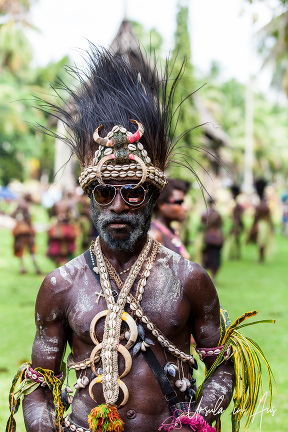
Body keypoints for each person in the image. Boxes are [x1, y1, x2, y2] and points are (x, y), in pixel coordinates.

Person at [7, 47, 274, 432]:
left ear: (152, 198)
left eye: (133, 192)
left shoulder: (189, 280)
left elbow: (222, 367)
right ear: (89, 199)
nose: (118, 205)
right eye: (104, 193)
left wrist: (195, 421)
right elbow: (38, 385)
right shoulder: (60, 286)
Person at [149, 178, 190, 258]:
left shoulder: (171, 231)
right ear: (161, 204)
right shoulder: (154, 236)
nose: (185, 208)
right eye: (179, 202)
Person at [10, 193, 41, 274]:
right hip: (26, 229)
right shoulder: (26, 206)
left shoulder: (19, 205)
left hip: (19, 229)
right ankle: (36, 268)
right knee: (31, 248)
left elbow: (13, 215)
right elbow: (28, 218)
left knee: (20, 247)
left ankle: (22, 267)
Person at [46, 190, 78, 266]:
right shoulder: (70, 203)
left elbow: (50, 213)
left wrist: (55, 218)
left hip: (57, 226)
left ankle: (58, 263)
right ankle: (66, 263)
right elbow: (75, 215)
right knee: (69, 243)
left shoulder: (56, 203)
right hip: (66, 227)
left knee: (53, 242)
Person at [247, 179, 273, 263]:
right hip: (265, 225)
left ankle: (261, 257)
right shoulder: (265, 205)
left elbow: (256, 218)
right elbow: (269, 217)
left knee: (261, 242)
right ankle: (261, 257)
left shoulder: (259, 206)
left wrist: (253, 226)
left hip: (261, 225)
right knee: (262, 242)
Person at [200, 198, 224, 281]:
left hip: (207, 238)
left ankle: (207, 277)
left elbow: (202, 225)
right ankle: (213, 276)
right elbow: (221, 225)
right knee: (215, 258)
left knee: (207, 257)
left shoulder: (204, 213)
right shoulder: (217, 214)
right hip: (216, 239)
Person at [227, 185, 244, 260]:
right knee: (233, 239)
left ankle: (235, 254)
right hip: (234, 223)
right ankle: (233, 254)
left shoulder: (235, 203)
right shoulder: (233, 203)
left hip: (235, 224)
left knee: (235, 239)